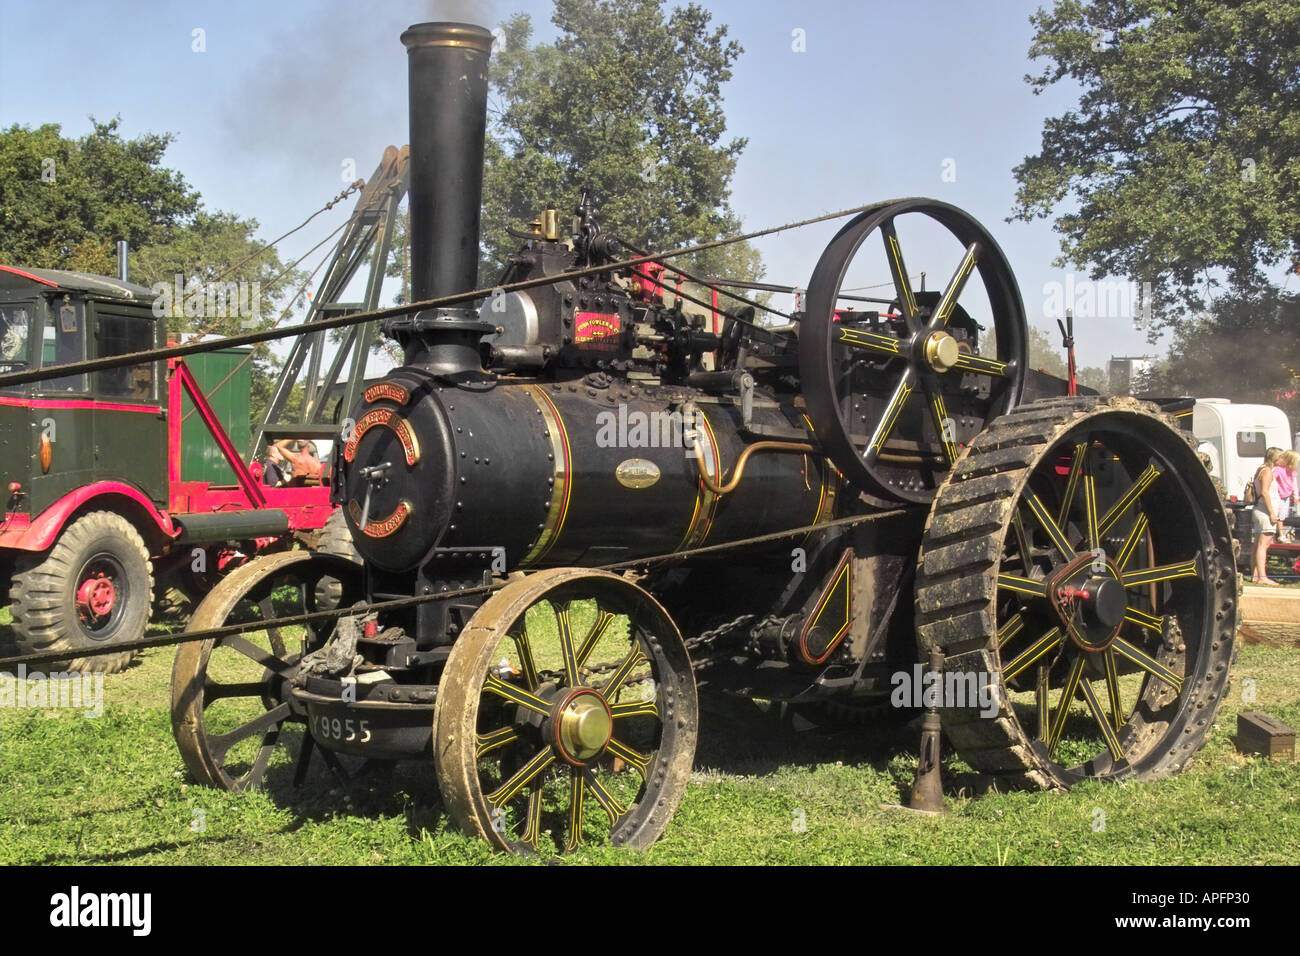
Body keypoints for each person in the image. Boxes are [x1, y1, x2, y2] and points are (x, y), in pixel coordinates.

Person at [1251, 447, 1284, 585]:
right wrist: (1272, 513)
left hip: (1259, 509)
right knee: (1263, 545)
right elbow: (1265, 492)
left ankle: (1255, 575)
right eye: (1281, 457)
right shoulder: (1268, 472)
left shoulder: (1261, 469)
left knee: (1258, 545)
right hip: (1264, 511)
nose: (1283, 460)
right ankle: (1263, 577)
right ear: (1276, 458)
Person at [1275, 449, 1299, 543]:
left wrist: (1296, 495)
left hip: (1286, 497)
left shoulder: (1292, 472)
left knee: (1283, 516)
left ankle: (1281, 533)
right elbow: (1272, 480)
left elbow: (1294, 485)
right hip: (1279, 496)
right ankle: (1281, 535)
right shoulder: (1279, 470)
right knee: (1280, 517)